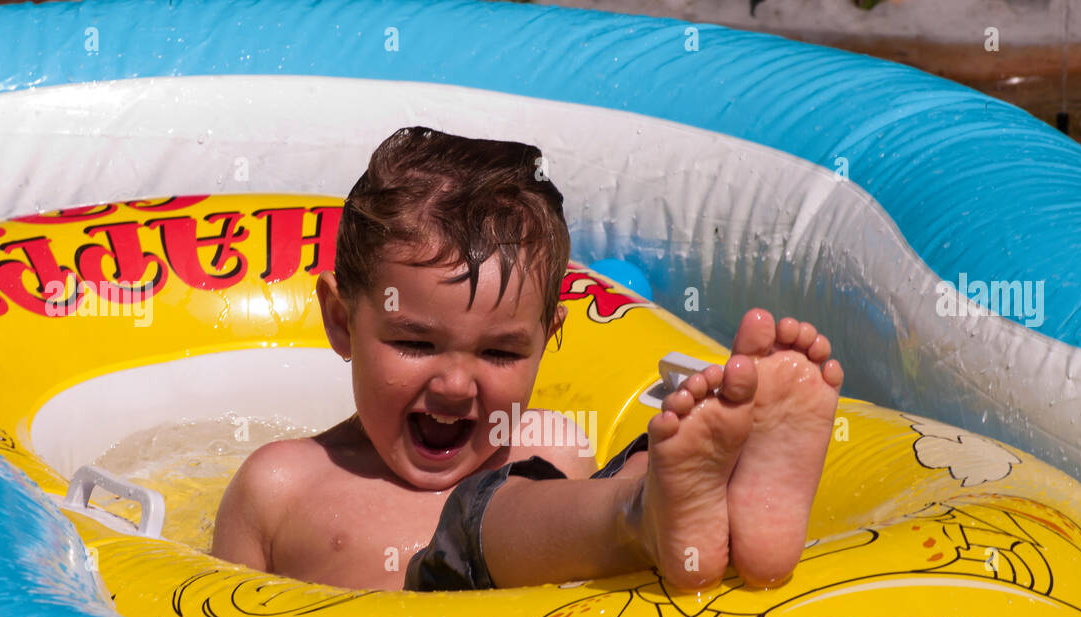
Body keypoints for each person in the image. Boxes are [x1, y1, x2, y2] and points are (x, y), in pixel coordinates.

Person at [210, 126, 842, 593]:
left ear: (549, 338)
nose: (456, 384)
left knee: (559, 485)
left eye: (500, 350)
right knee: (481, 520)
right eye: (417, 342)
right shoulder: (281, 487)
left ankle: (715, 492)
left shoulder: (552, 451)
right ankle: (651, 511)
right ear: (342, 321)